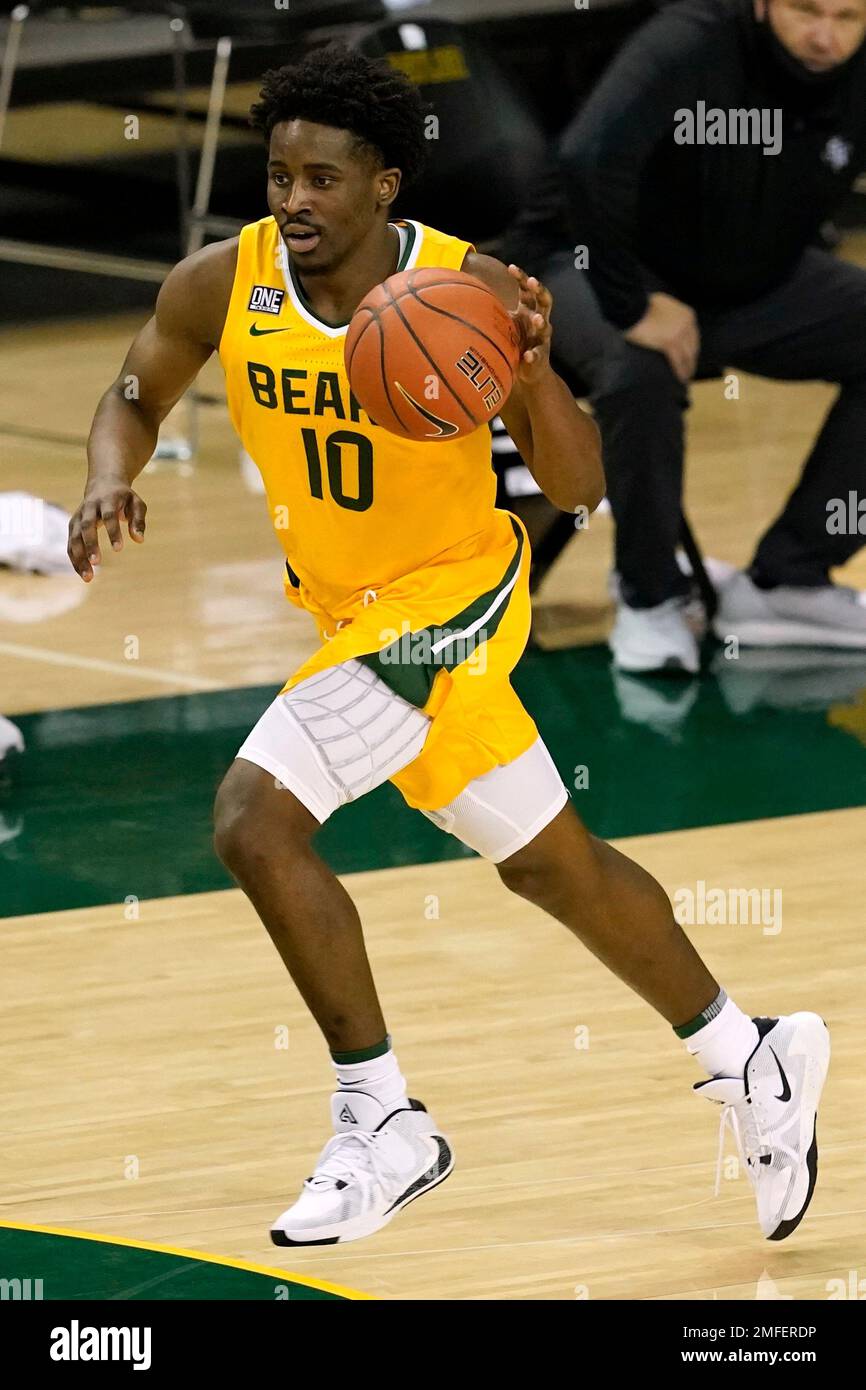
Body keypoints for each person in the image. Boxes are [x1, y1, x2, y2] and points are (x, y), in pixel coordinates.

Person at [68, 44, 829, 1247]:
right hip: (346, 612)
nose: (294, 200)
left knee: (252, 819)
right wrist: (107, 476)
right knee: (550, 866)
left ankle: (381, 1120)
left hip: (454, 599)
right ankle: (754, 1055)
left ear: (385, 187)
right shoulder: (225, 280)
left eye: (323, 178)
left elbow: (578, 486)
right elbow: (134, 387)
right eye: (278, 175)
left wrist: (526, 372)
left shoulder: (469, 288)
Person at [504, 0, 866, 674]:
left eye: (847, 17)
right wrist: (633, 303)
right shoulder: (690, 40)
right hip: (589, 260)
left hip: (745, 276)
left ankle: (788, 581)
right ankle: (648, 594)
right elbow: (589, 159)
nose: (824, 35)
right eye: (806, 10)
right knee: (639, 365)